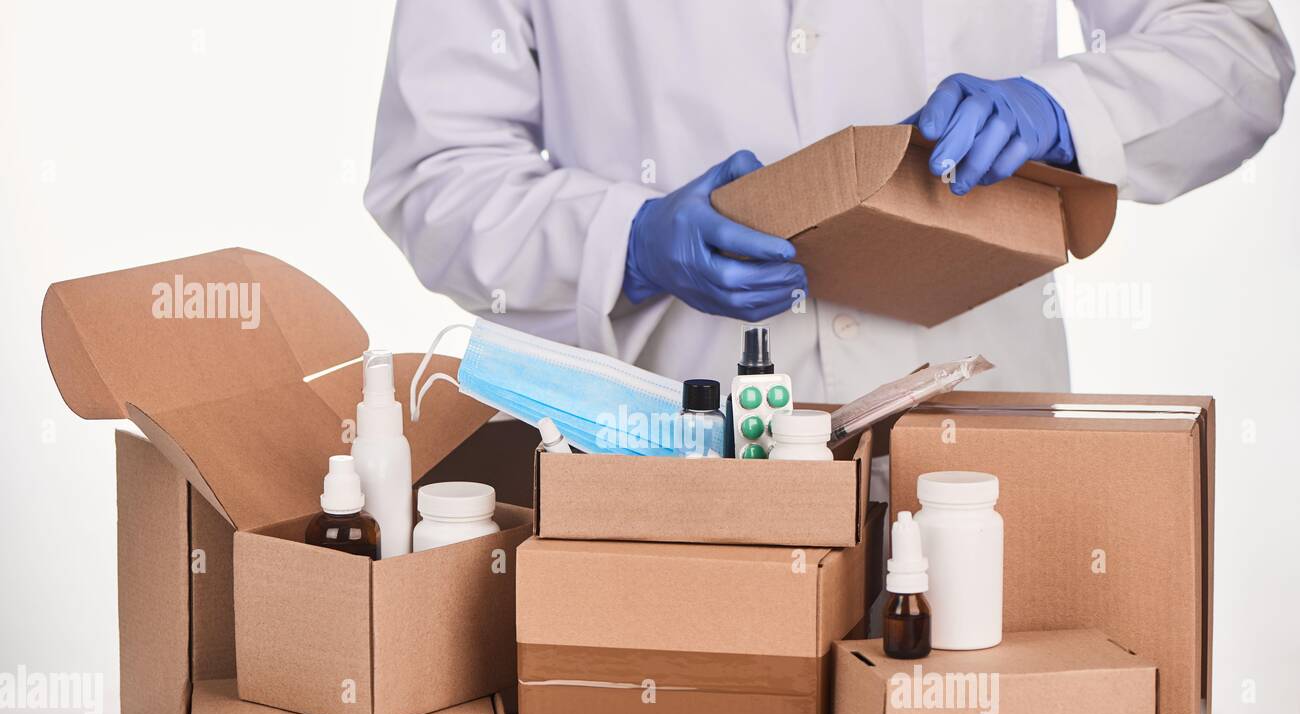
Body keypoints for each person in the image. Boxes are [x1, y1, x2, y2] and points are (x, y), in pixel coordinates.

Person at [366, 0, 1292, 409]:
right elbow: (437, 167)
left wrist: (1063, 110)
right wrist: (629, 242)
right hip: (670, 455)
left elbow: (1235, 50)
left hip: (974, 434)